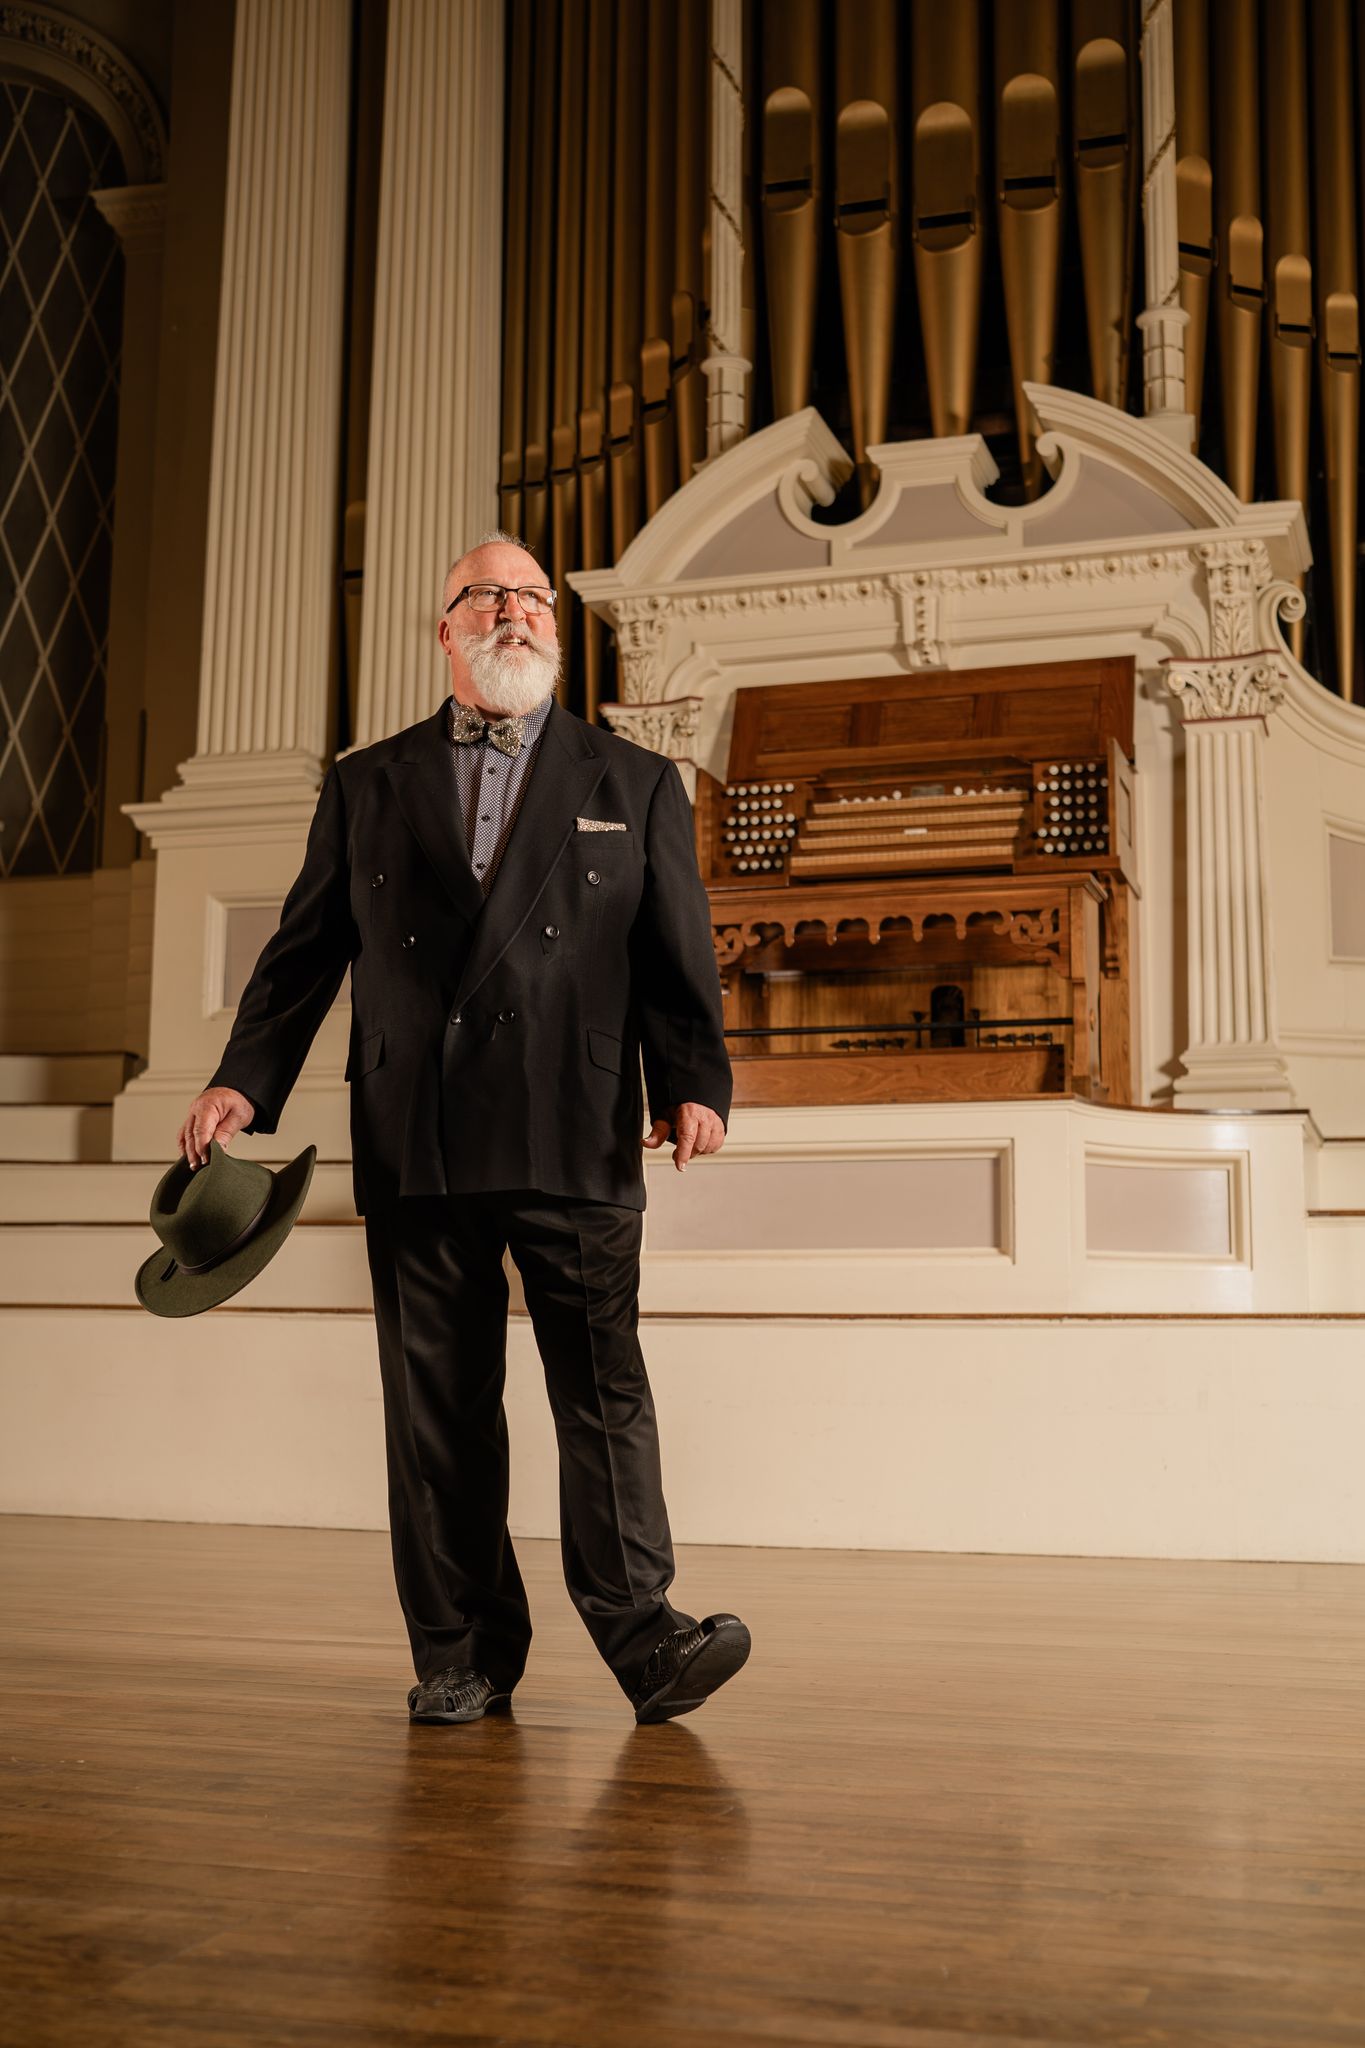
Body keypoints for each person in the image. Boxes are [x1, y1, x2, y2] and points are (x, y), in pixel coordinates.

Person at [177, 533, 750, 1726]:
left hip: (575, 1123)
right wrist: (245, 1080)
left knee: (602, 1393)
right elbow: (301, 953)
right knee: (436, 1405)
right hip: (418, 1128)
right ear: (445, 628)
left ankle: (647, 1642)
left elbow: (674, 954)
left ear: (557, 624)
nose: (517, 613)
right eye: (487, 596)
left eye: (534, 597)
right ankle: (463, 1652)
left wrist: (692, 1076)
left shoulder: (634, 781)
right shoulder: (368, 781)